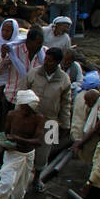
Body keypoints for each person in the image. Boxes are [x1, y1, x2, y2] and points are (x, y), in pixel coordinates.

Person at [28, 46, 71, 180]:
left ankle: (37, 179)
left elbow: (65, 104)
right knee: (26, 147)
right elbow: (24, 92)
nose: (46, 62)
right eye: (46, 59)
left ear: (57, 62)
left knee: (44, 153)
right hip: (32, 117)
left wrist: (65, 124)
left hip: (51, 121)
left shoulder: (64, 79)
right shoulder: (34, 72)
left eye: (50, 61)